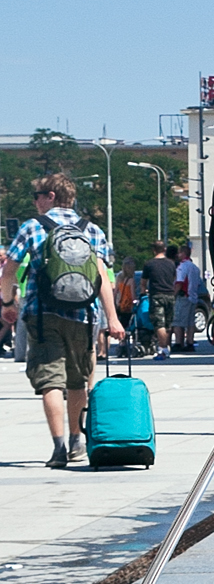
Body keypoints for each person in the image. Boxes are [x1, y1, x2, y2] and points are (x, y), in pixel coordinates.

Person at [11, 170, 124, 466]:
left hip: (42, 315)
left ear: (51, 197)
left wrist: (8, 301)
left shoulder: (33, 227)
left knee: (50, 382)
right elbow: (102, 276)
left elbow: (9, 268)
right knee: (77, 382)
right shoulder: (92, 230)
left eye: (38, 196)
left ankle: (58, 448)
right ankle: (77, 443)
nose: (35, 202)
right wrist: (113, 319)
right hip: (85, 316)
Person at [172, 246, 206, 352]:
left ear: (183, 253)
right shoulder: (195, 268)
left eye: (179, 253)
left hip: (184, 296)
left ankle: (178, 343)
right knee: (190, 322)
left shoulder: (182, 267)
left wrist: (173, 295)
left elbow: (179, 283)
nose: (177, 255)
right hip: (193, 297)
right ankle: (190, 342)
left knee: (178, 321)